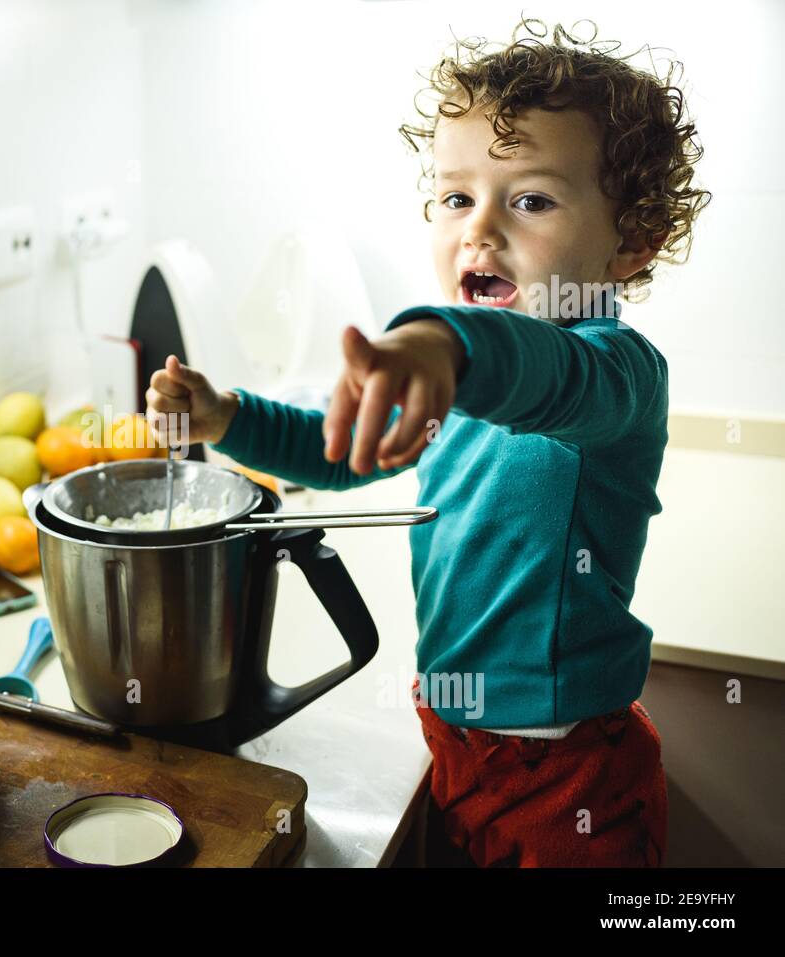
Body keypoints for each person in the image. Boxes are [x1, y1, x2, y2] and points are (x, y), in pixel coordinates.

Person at [144, 18, 711, 867]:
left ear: (631, 241)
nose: (479, 231)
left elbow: (538, 373)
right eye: (457, 197)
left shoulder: (614, 379)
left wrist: (443, 347)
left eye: (531, 199)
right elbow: (343, 452)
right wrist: (231, 416)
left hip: (567, 772)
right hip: (454, 733)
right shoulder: (470, 369)